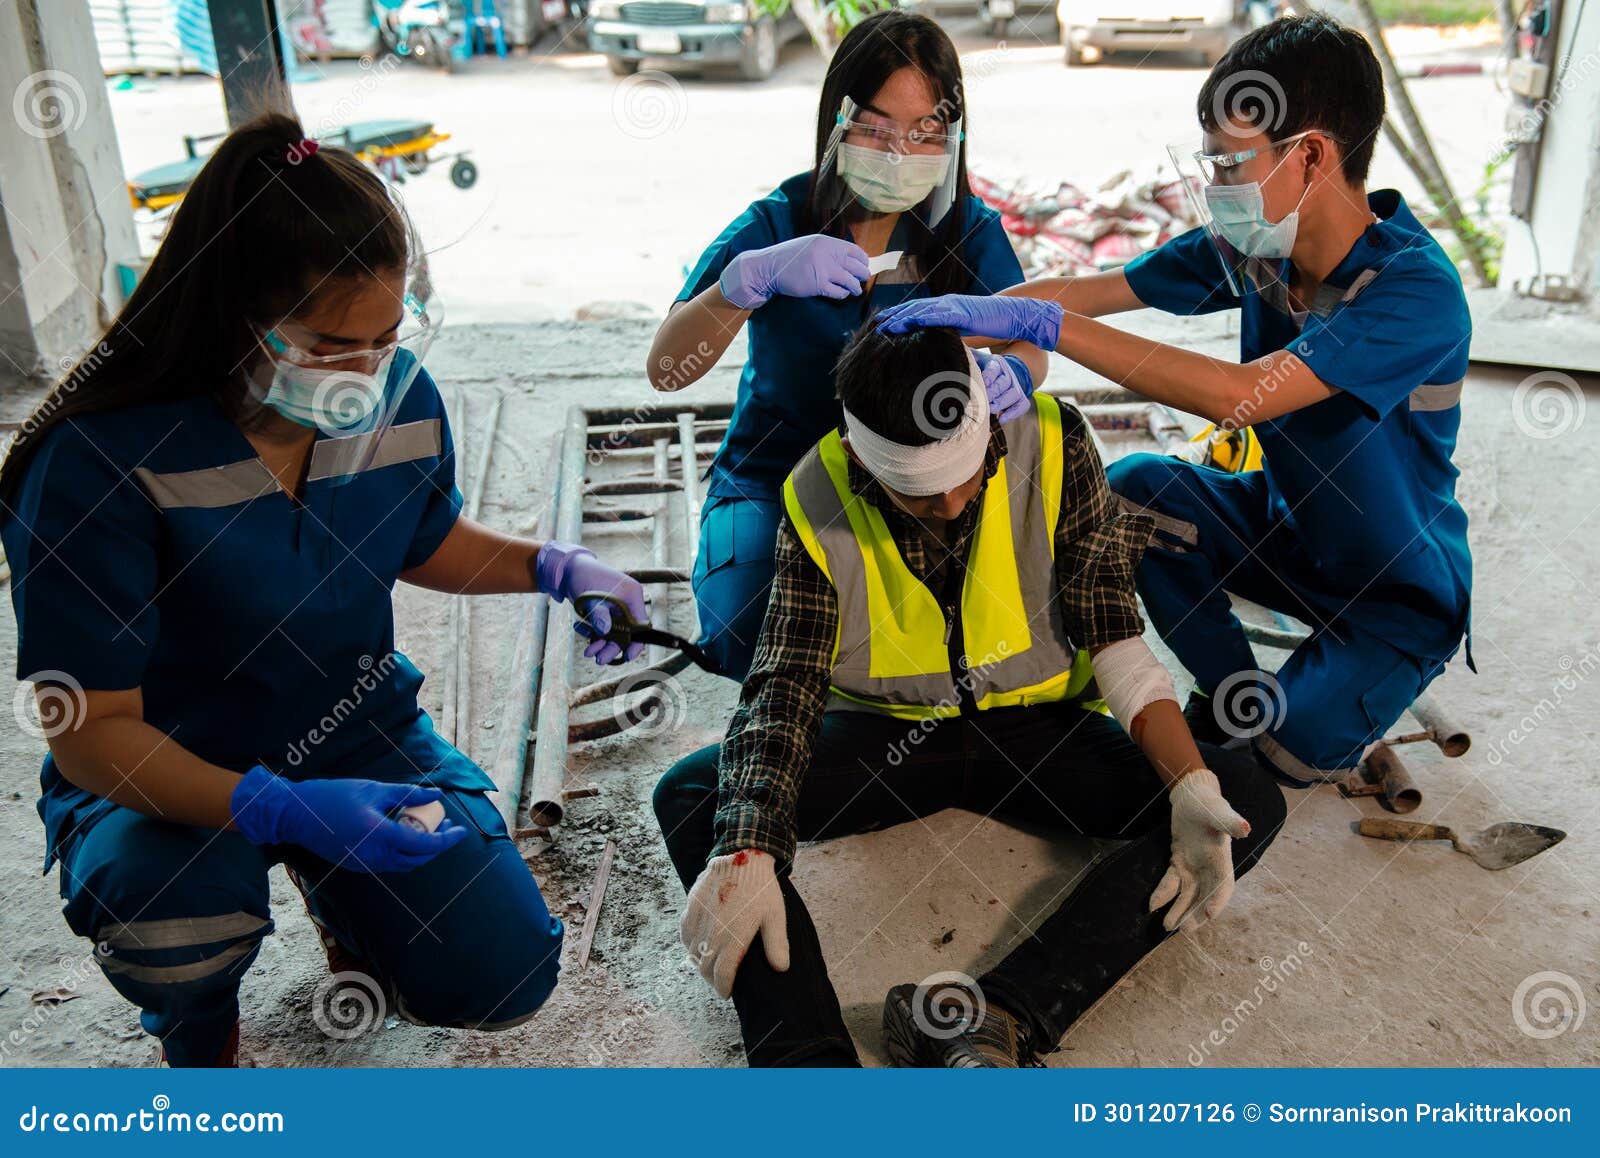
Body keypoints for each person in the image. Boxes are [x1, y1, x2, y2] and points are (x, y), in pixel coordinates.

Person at [0, 113, 646, 1066]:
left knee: (502, 968)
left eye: (387, 336)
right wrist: (275, 808)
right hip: (163, 762)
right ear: (234, 318)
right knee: (174, 921)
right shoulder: (100, 459)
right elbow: (92, 732)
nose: (366, 372)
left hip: (349, 725)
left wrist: (551, 569)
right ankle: (197, 1026)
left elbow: (420, 539)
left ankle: (346, 901)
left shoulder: (396, 398)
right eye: (332, 345)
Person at [653, 323, 1286, 1067]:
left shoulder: (1055, 440)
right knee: (703, 802)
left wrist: (1187, 782)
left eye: (969, 475)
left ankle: (994, 1016)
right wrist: (749, 847)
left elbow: (1112, 629)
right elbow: (783, 685)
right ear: (862, 458)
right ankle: (808, 1061)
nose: (952, 506)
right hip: (891, 739)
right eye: (920, 497)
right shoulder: (816, 491)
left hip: (1039, 733)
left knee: (1239, 794)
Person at [875, 13, 1472, 788]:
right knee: (1133, 495)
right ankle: (1231, 694)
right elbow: (1097, 289)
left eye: (1228, 166)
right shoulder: (1257, 249)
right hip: (1293, 531)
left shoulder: (1414, 291)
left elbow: (1238, 397)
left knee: (1286, 761)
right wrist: (958, 323)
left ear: (1313, 155)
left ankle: (1333, 689)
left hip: (1396, 586)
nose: (1217, 188)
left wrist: (1049, 330)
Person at [646, 9, 1046, 680]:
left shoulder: (965, 232)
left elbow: (1027, 331)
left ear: (953, 138)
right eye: (876, 127)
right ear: (838, 120)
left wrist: (1018, 373)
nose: (899, 153)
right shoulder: (777, 222)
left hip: (920, 486)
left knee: (969, 632)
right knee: (753, 630)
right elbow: (665, 370)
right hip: (774, 474)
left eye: (925, 133)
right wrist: (744, 283)